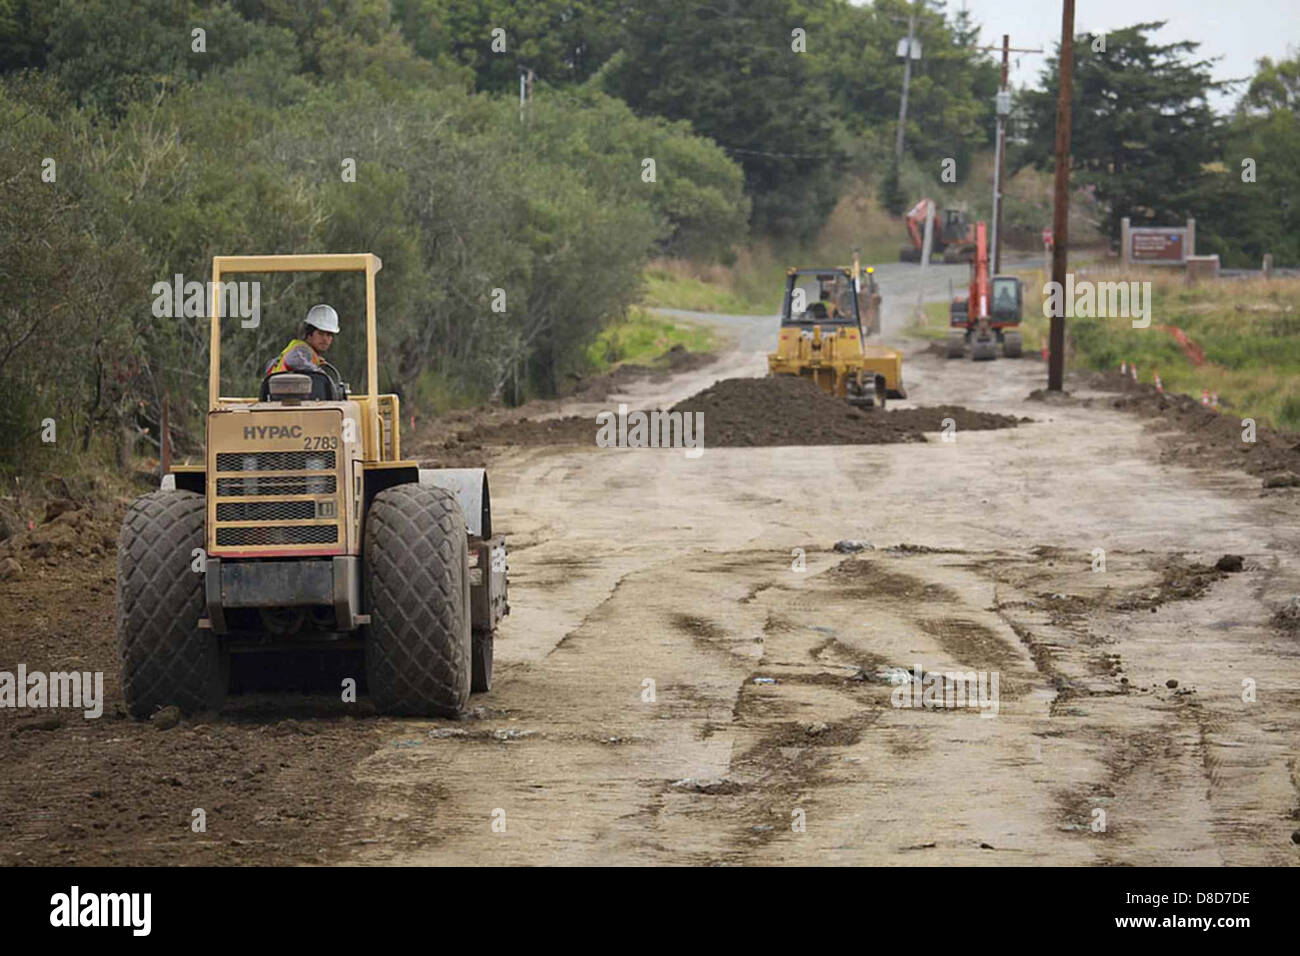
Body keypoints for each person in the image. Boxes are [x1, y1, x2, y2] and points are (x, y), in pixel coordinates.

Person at [265, 304, 339, 376]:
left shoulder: (309, 355)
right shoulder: (302, 349)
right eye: (320, 333)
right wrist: (321, 374)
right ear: (309, 334)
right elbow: (293, 360)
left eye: (329, 335)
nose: (325, 339)